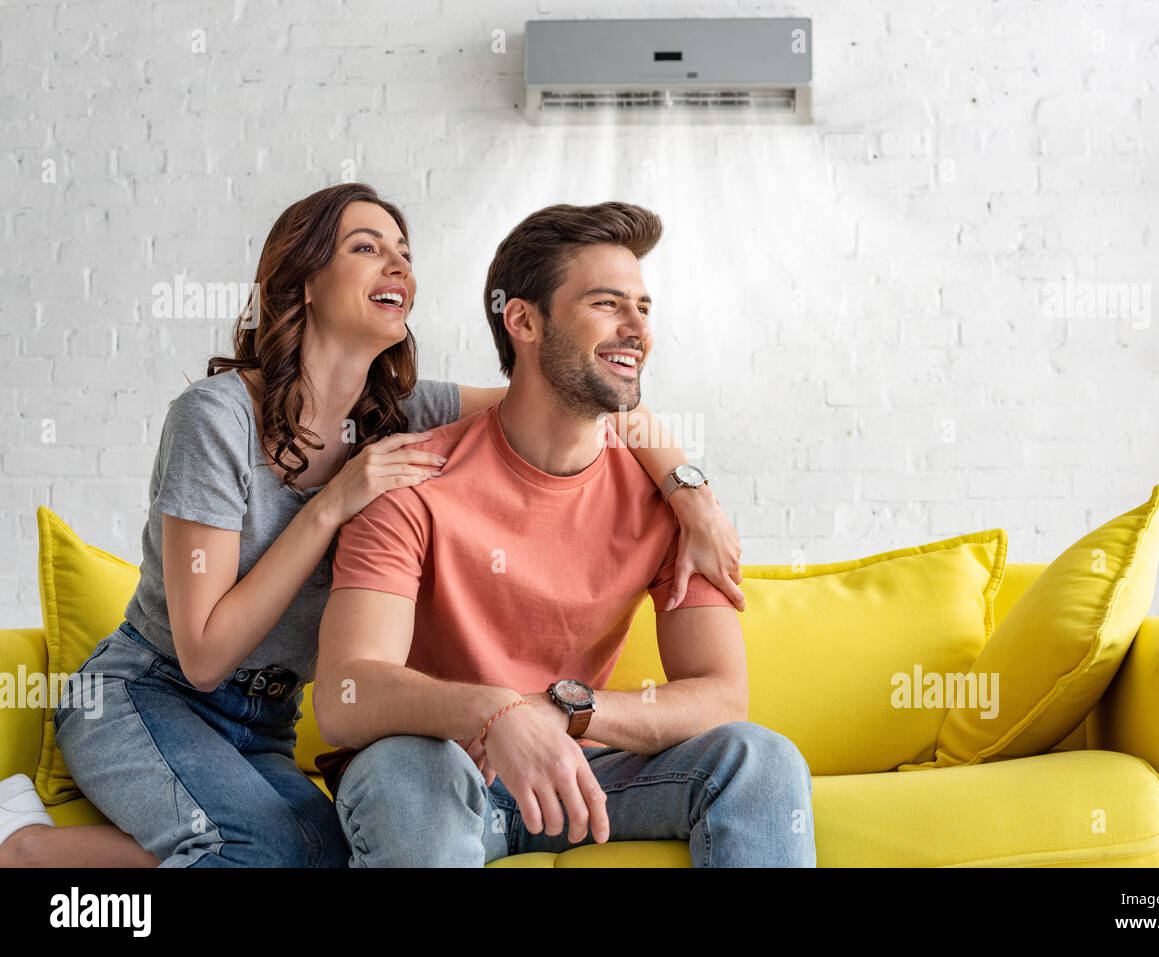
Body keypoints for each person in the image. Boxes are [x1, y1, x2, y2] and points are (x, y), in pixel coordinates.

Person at [0, 184, 744, 868]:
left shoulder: (399, 413)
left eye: (405, 252)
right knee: (253, 852)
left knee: (331, 861)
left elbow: (581, 384)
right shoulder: (216, 419)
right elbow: (202, 654)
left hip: (269, 719)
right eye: (367, 246)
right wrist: (332, 504)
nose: (398, 264)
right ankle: (27, 847)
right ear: (304, 284)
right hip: (150, 694)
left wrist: (690, 491)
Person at [314, 201, 816, 867]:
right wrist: (495, 714)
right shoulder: (412, 482)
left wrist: (564, 712)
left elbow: (722, 695)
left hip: (583, 776)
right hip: (442, 772)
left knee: (763, 760)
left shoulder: (670, 506)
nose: (637, 328)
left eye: (644, 307)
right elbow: (345, 693)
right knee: (405, 777)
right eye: (608, 304)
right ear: (523, 320)